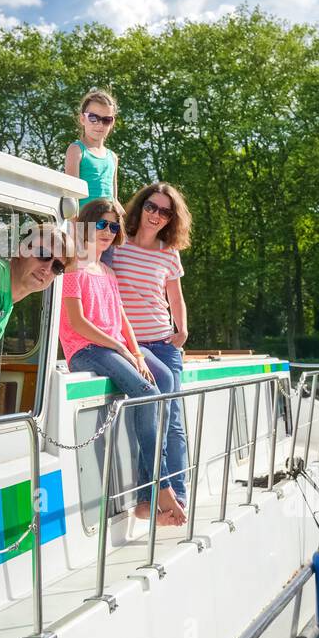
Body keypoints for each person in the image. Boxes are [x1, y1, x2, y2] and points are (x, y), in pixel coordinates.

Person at [59, 199, 185, 526]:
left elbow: (123, 319)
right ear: (87, 225)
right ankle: (161, 486)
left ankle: (146, 498)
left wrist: (139, 353)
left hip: (114, 348)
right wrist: (124, 350)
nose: (108, 232)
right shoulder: (74, 268)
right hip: (88, 349)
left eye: (114, 227)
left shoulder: (107, 270)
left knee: (162, 386)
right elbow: (78, 322)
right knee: (146, 392)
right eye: (102, 224)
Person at [112, 183, 193, 509]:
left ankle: (179, 495)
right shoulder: (116, 245)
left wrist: (182, 329)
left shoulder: (168, 253)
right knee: (157, 407)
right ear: (140, 207)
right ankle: (152, 496)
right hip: (133, 344)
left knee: (173, 419)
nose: (156, 215)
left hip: (164, 342)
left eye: (165, 211)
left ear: (171, 218)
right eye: (151, 207)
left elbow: (175, 297)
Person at [0, 222, 74, 420]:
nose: (47, 268)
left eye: (57, 267)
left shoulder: (7, 296)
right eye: (43, 254)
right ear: (20, 250)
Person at [64, 89, 120, 211]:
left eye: (106, 120)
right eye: (93, 118)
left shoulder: (113, 157)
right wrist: (78, 229)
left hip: (107, 226)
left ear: (112, 122)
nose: (100, 124)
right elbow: (71, 197)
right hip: (85, 224)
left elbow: (114, 200)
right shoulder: (77, 150)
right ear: (82, 119)